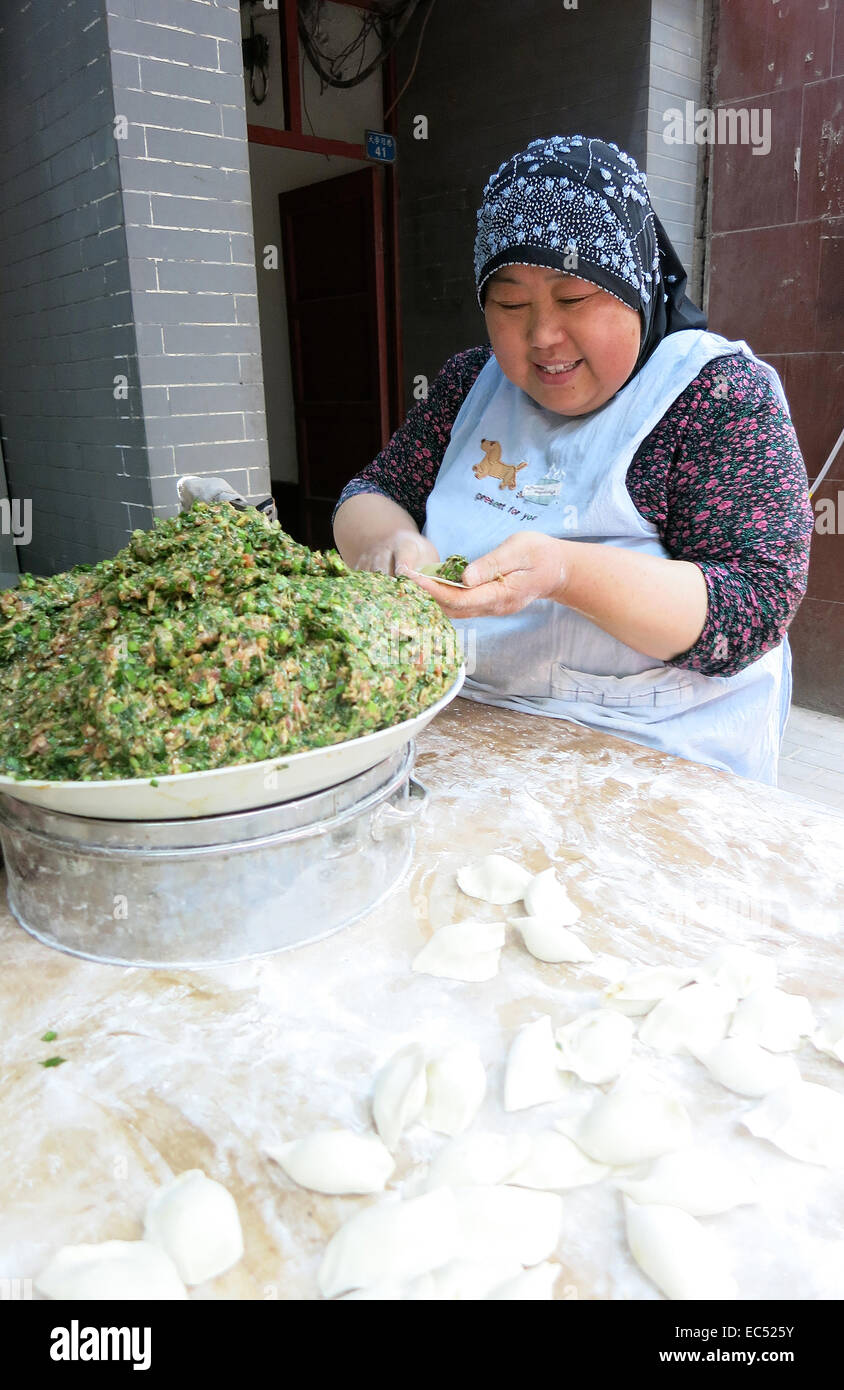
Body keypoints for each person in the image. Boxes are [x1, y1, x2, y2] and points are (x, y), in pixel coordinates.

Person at [332, 135, 813, 785]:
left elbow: (751, 607)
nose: (542, 336)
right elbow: (375, 488)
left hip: (658, 760)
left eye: (573, 298)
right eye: (510, 304)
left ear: (634, 283)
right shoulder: (470, 384)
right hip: (470, 733)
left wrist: (563, 572)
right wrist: (389, 544)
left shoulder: (713, 393)